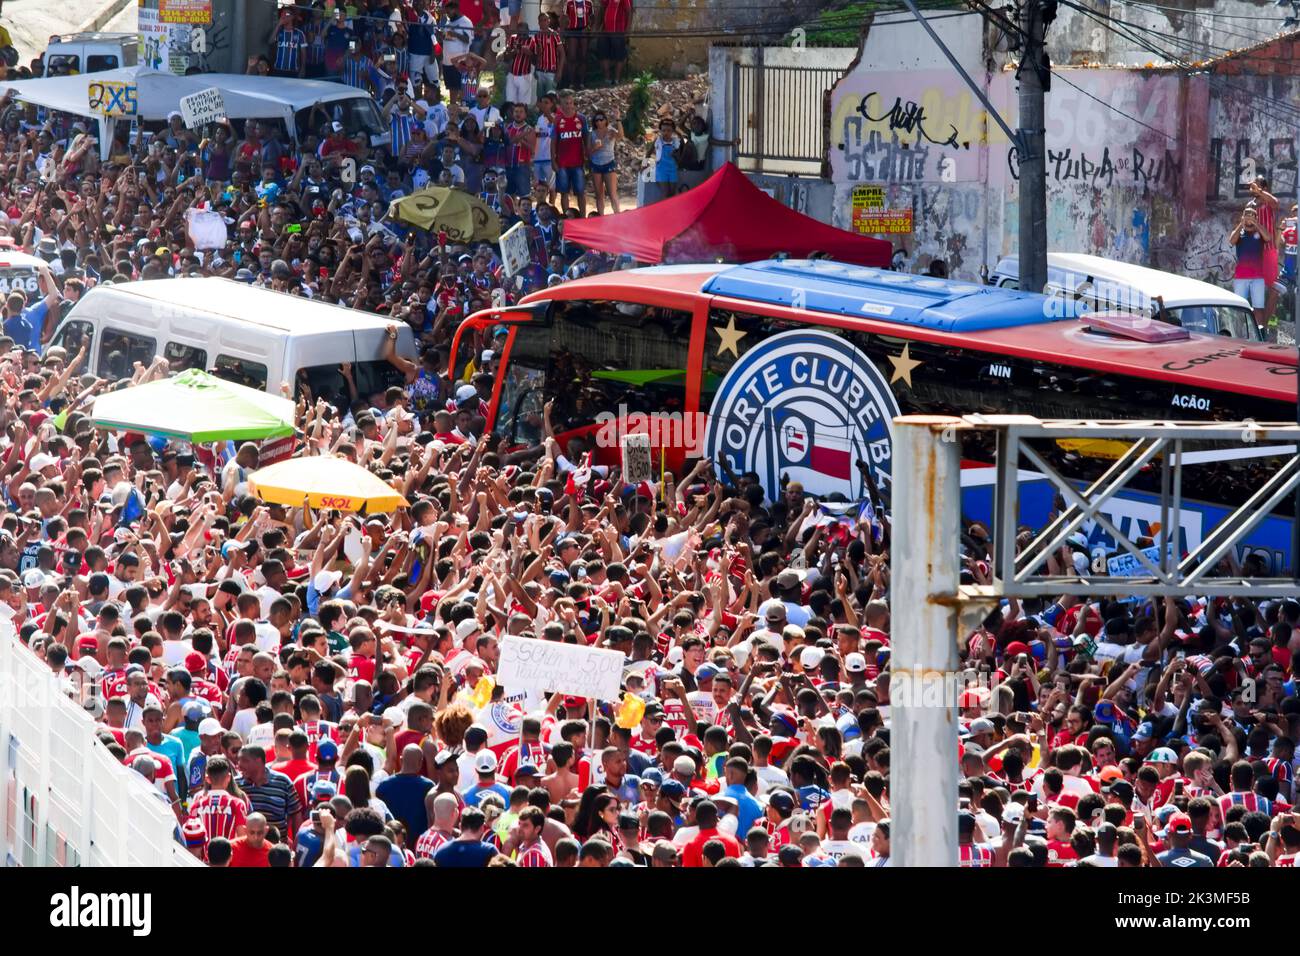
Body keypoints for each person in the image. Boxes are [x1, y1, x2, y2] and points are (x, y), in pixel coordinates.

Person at [553, 90, 587, 216]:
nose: (568, 105)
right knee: (564, 192)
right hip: (562, 163)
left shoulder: (581, 119)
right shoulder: (557, 120)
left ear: (573, 103)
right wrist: (553, 160)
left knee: (580, 192)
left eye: (570, 102)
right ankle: (566, 217)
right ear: (561, 105)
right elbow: (553, 141)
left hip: (578, 162)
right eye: (565, 103)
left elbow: (586, 138)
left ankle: (583, 218)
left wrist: (588, 156)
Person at [587, 110, 622, 216]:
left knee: (612, 194)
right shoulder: (592, 134)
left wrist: (618, 119)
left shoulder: (611, 131)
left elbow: (620, 135)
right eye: (597, 120)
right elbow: (587, 152)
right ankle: (600, 217)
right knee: (599, 195)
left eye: (601, 119)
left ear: (605, 120)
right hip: (596, 164)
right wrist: (595, 148)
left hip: (608, 163)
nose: (599, 122)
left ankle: (618, 216)